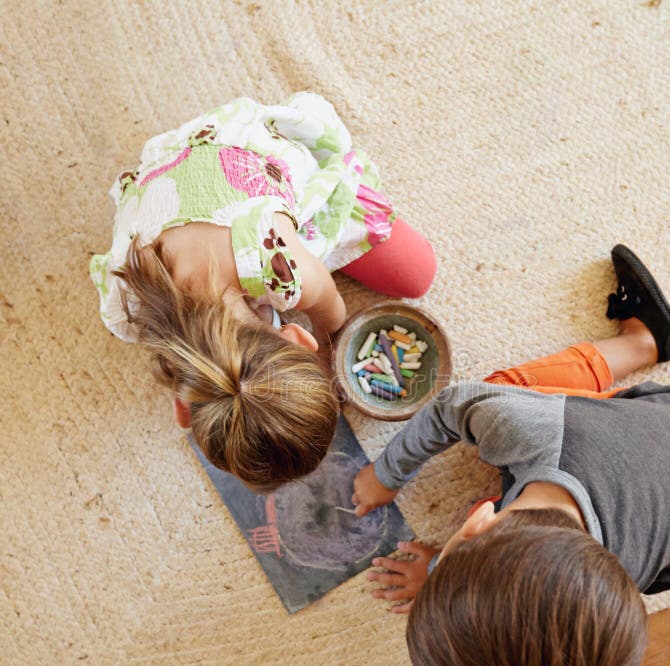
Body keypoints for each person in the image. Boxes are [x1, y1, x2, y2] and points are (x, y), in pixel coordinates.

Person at [351, 245, 670, 666]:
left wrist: (441, 573)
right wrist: (385, 475)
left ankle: (645, 340)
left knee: (502, 395)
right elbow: (451, 404)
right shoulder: (528, 428)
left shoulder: (608, 586)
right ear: (475, 520)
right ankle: (642, 341)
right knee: (500, 388)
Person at [89, 93, 436, 490]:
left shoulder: (279, 264)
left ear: (300, 336)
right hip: (184, 184)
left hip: (234, 157)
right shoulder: (130, 308)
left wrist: (330, 345)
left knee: (417, 271)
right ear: (182, 409)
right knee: (414, 274)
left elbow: (329, 304)